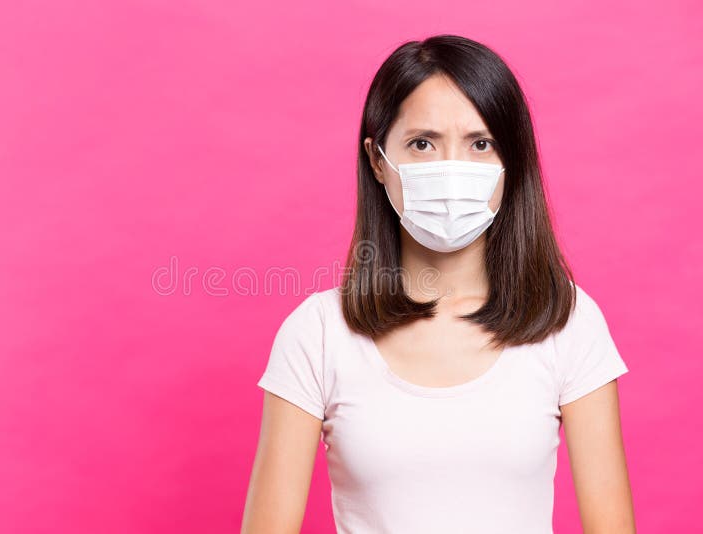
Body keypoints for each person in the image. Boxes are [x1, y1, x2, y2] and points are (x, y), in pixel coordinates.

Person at [242, 35, 635, 534]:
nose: (452, 170)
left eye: (480, 143)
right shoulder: (317, 333)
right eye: (422, 144)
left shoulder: (567, 321)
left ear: (511, 161)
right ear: (378, 160)